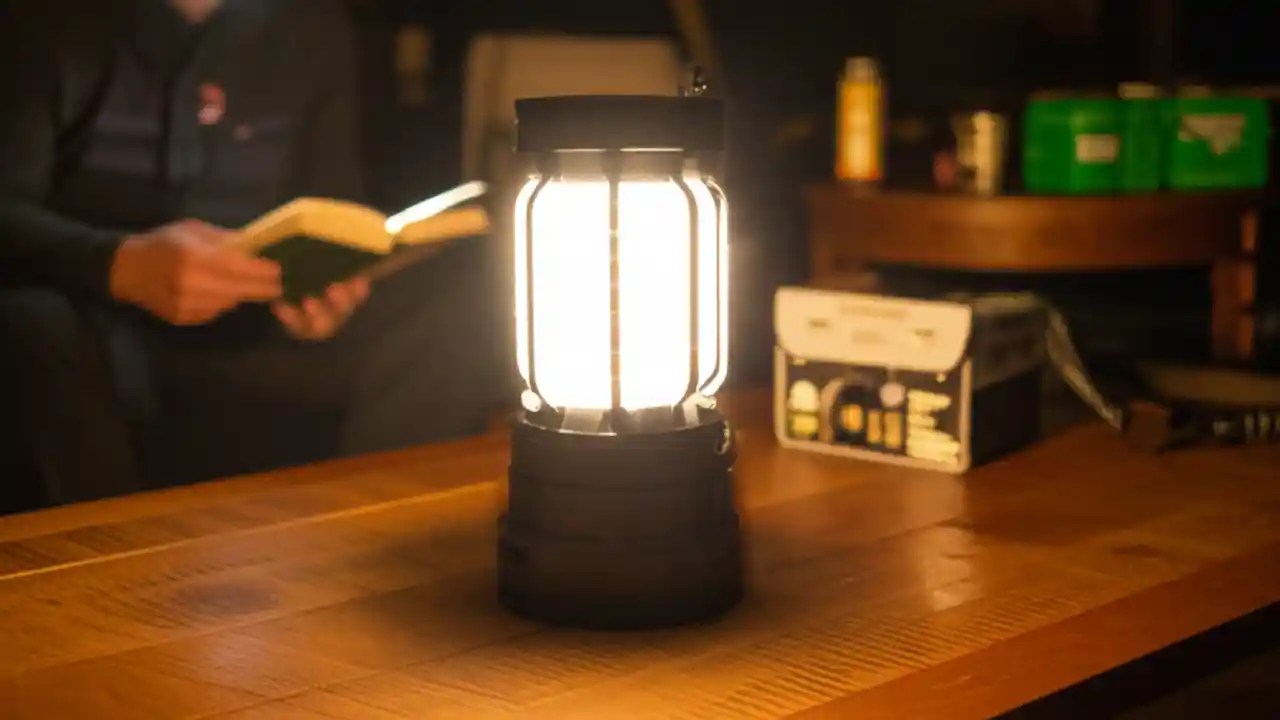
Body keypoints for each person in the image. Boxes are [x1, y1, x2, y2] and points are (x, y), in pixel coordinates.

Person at [0, 0, 494, 512]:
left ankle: (372, 534)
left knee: (467, 302)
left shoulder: (312, 29)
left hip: (258, 321)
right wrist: (116, 264)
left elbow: (328, 204)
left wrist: (329, 285)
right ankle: (101, 563)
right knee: (31, 326)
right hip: (96, 326)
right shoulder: (42, 23)